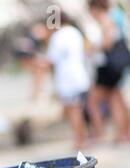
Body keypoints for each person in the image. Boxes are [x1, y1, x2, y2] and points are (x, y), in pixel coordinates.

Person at [46, 13, 90, 149]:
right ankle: (82, 138)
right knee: (78, 109)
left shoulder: (57, 37)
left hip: (68, 79)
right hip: (80, 74)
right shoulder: (75, 32)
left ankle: (80, 140)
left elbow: (51, 59)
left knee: (73, 110)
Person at [88, 0, 130, 143]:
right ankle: (123, 133)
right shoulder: (113, 17)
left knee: (94, 100)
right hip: (114, 67)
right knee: (116, 99)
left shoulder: (106, 19)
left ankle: (99, 134)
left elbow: (107, 43)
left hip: (108, 67)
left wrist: (92, 48)